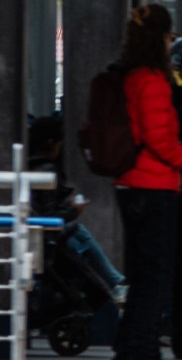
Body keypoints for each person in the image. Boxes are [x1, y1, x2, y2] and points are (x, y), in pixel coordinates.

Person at [109, 4, 182, 360]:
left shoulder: (127, 75)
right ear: (160, 38)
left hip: (131, 184)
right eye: (169, 38)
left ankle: (124, 356)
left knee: (141, 276)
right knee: (154, 278)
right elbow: (157, 136)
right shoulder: (151, 80)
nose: (172, 44)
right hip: (154, 185)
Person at [27, 115, 125, 301]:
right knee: (78, 233)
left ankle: (115, 282)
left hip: (42, 237)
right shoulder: (47, 170)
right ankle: (115, 282)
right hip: (50, 239)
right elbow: (49, 216)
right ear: (52, 143)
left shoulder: (31, 166)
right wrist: (73, 210)